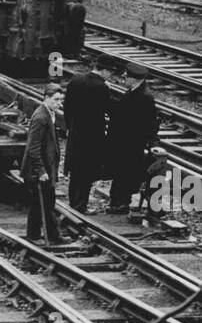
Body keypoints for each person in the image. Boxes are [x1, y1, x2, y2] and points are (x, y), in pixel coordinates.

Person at [20, 83, 66, 246]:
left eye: (61, 100)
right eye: (56, 99)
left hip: (46, 168)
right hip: (38, 170)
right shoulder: (41, 117)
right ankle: (47, 235)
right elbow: (33, 147)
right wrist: (41, 171)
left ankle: (38, 234)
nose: (59, 103)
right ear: (46, 98)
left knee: (44, 203)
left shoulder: (49, 113)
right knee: (43, 202)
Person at [63, 60, 111, 211]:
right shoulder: (101, 87)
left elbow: (67, 106)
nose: (109, 76)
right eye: (110, 72)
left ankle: (73, 203)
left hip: (75, 133)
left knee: (75, 172)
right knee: (87, 173)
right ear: (104, 71)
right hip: (92, 137)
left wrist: (69, 126)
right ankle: (80, 206)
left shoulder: (76, 80)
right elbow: (107, 109)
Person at [107, 73, 158, 213]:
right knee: (121, 172)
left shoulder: (144, 97)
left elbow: (151, 123)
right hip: (125, 142)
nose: (123, 76)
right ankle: (116, 203)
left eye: (126, 75)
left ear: (135, 78)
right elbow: (121, 111)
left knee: (126, 174)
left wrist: (153, 142)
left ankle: (121, 204)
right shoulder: (134, 91)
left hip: (132, 144)